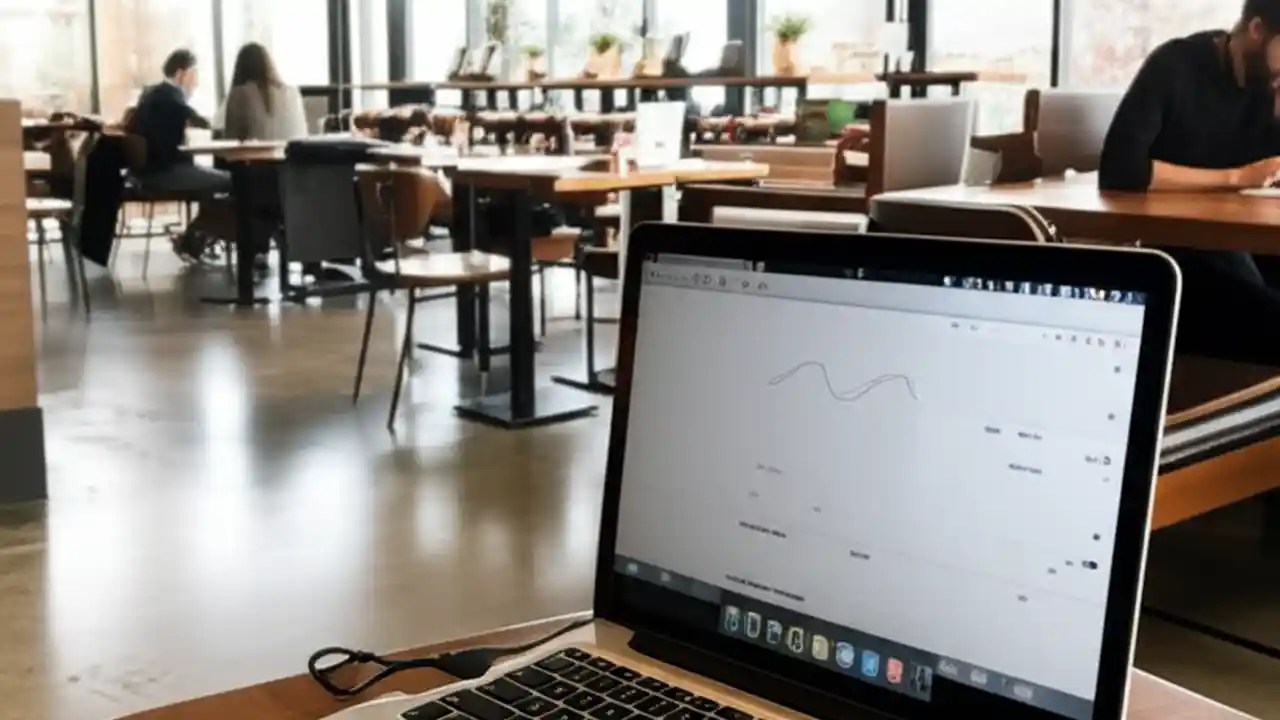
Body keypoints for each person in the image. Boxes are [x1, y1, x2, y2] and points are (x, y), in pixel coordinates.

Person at [1099, 0, 1280, 363]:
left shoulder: (1270, 88)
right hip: (1184, 258)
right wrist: (1237, 177)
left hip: (1255, 251)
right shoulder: (1176, 66)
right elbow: (1120, 168)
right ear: (1258, 31)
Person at [128, 49, 231, 262]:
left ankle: (197, 238)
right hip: (164, 173)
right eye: (194, 74)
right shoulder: (171, 98)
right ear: (180, 74)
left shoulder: (151, 94)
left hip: (143, 172)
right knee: (230, 182)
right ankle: (194, 240)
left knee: (211, 183)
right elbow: (201, 122)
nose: (196, 81)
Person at [221, 43, 308, 141]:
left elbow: (231, 140)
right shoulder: (293, 93)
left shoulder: (239, 94)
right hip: (294, 155)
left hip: (255, 155)